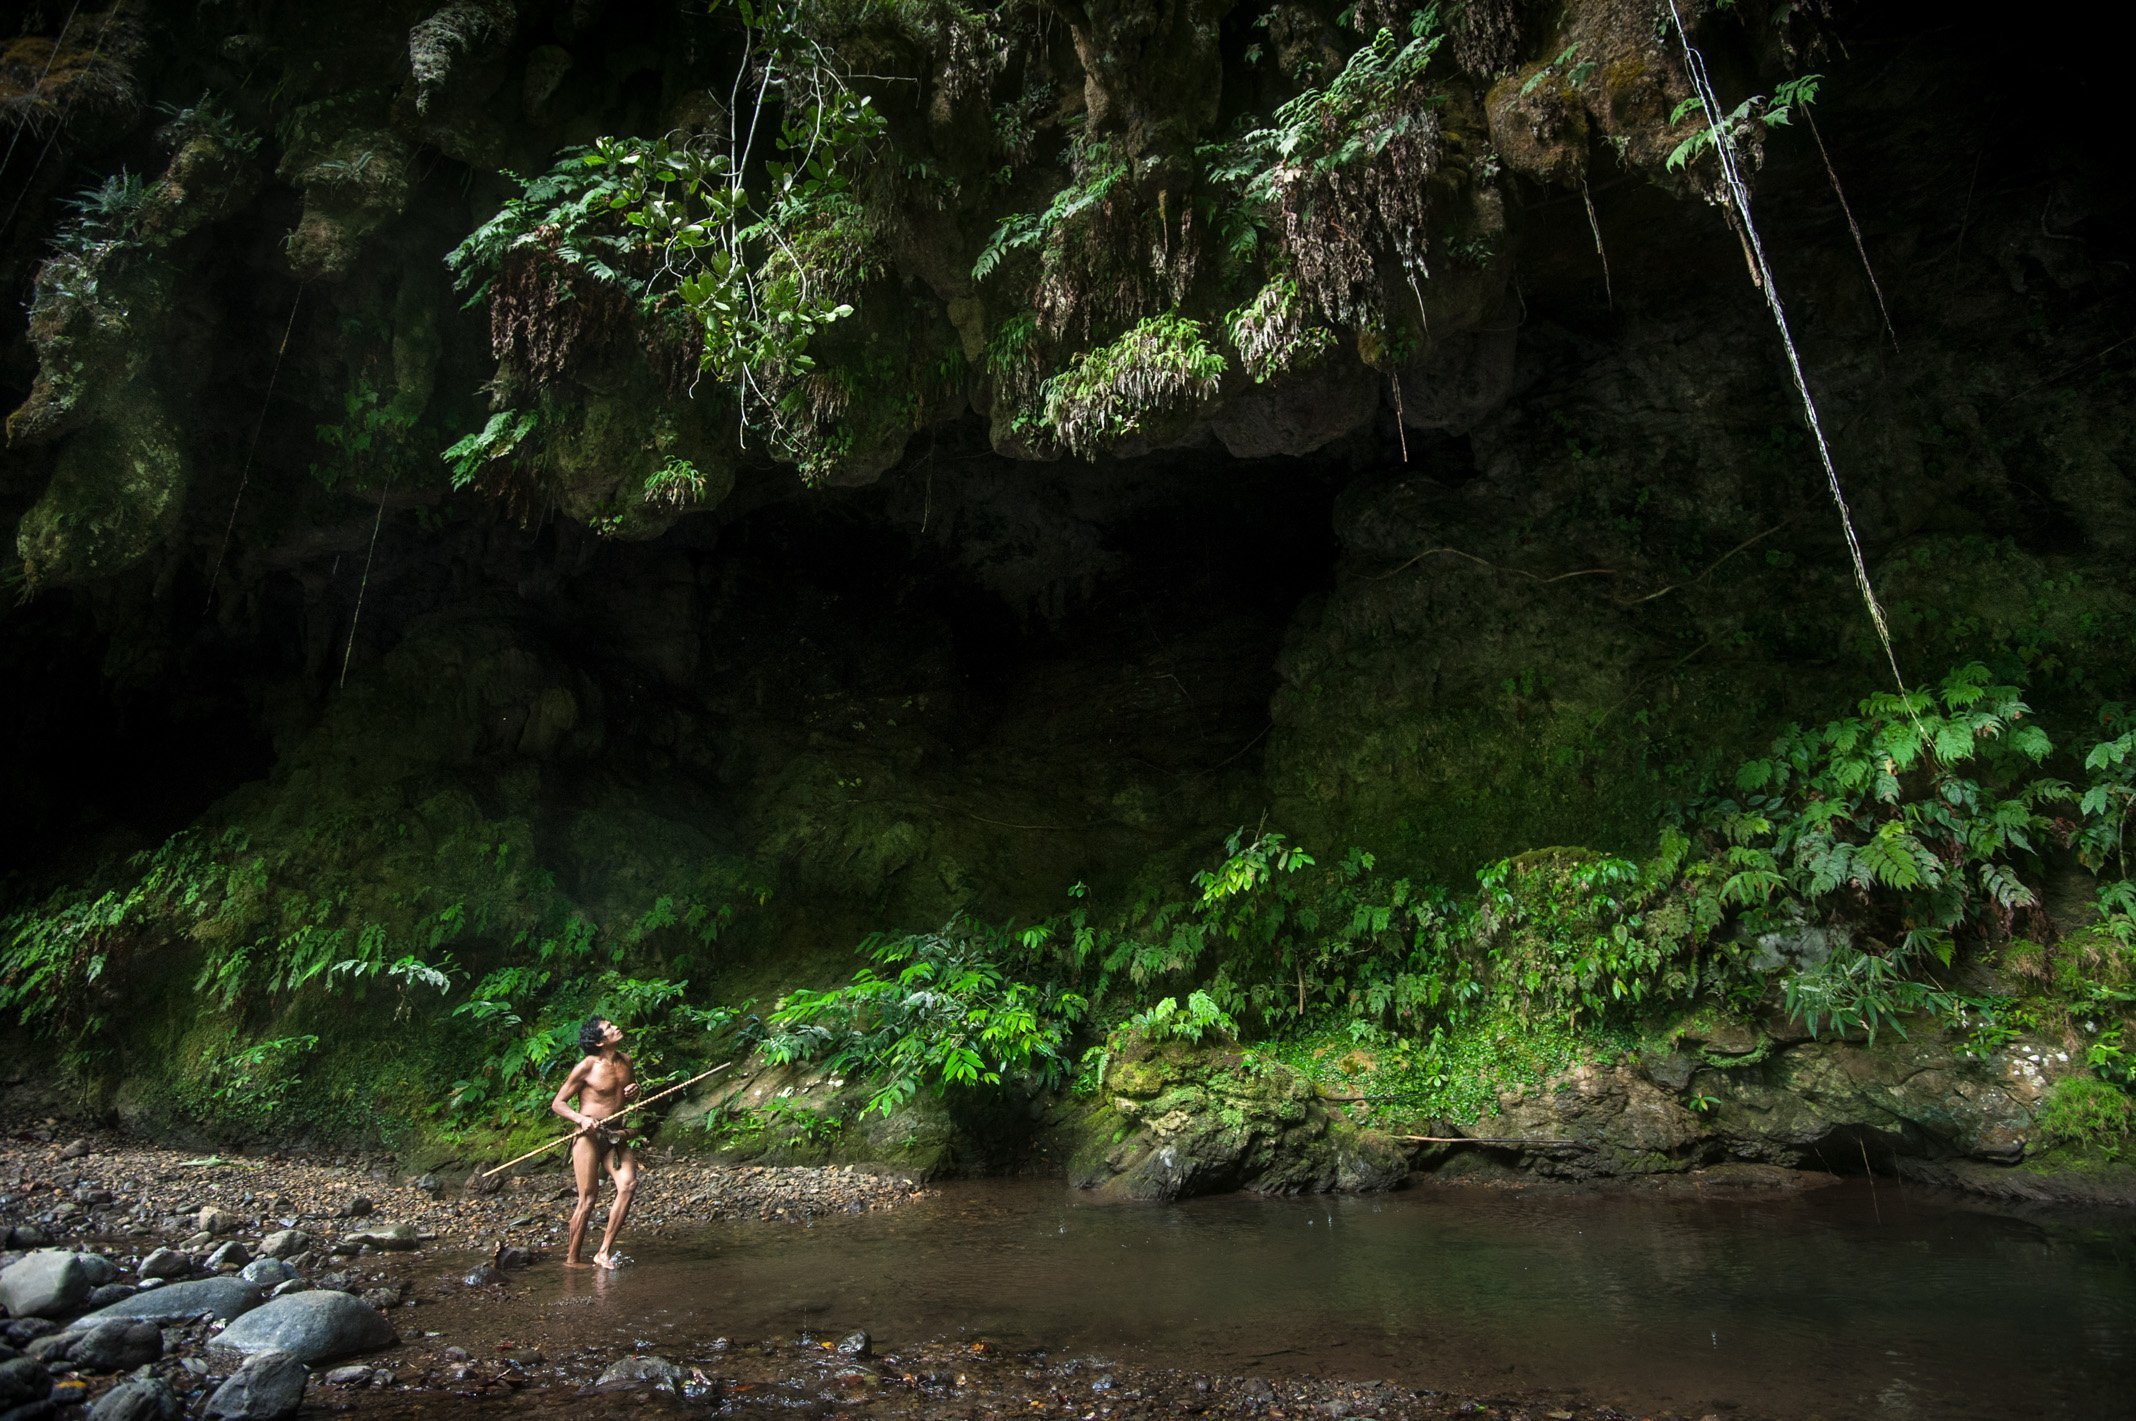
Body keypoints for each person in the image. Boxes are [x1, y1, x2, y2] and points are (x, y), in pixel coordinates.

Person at [550, 1014, 640, 1268]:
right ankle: (572, 1261)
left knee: (628, 1184)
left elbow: (629, 1094)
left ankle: (603, 1252)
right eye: (609, 1027)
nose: (615, 1027)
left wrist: (635, 1091)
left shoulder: (626, 1061)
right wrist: (581, 1119)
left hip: (616, 1135)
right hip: (588, 1137)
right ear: (600, 1042)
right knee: (588, 1199)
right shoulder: (586, 1067)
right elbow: (558, 1103)